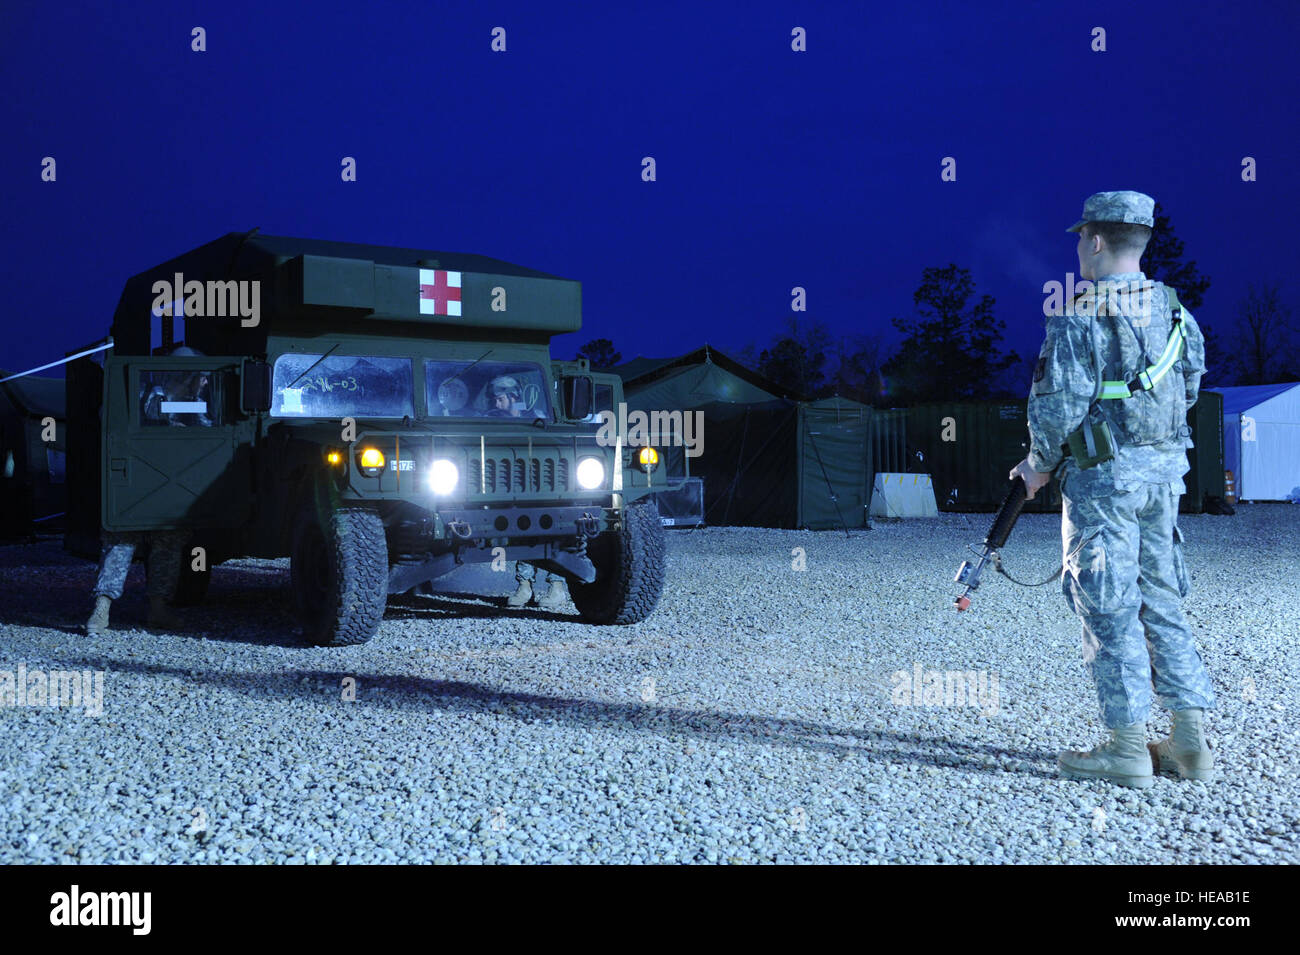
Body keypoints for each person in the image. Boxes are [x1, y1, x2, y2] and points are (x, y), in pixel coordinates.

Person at [1011, 190, 1216, 788]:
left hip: (1103, 485)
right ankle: (1189, 745)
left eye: (1081, 238)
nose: (1078, 248)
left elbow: (1057, 408)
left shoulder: (1079, 315)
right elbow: (1193, 387)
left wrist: (1037, 464)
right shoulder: (1177, 311)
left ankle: (1126, 750)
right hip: (1164, 480)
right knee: (1164, 603)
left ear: (1096, 240)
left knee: (1109, 607)